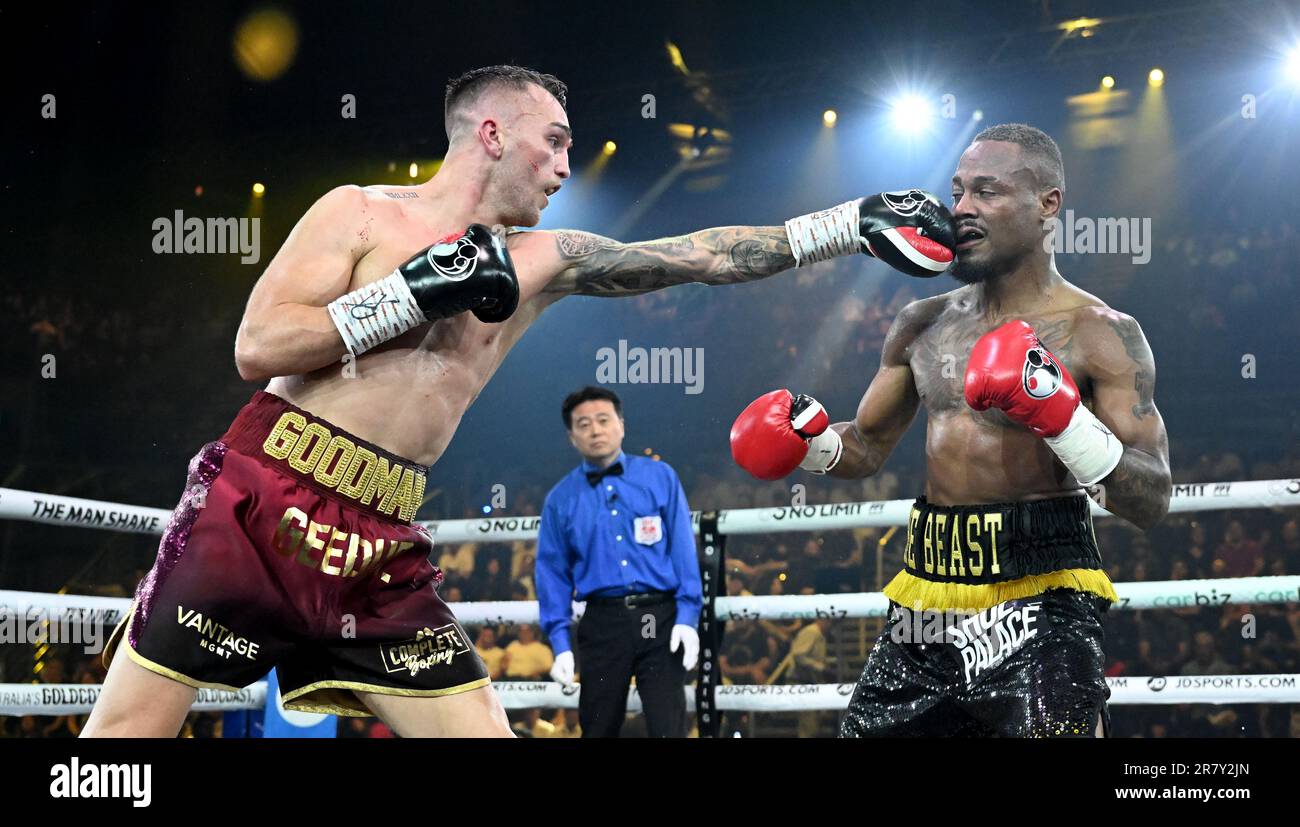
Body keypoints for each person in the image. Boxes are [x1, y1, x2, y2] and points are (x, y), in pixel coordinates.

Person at [83, 64, 954, 738]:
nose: (568, 165)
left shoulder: (545, 258)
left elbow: (699, 255)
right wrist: (413, 291)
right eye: (556, 141)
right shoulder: (359, 214)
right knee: (124, 737)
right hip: (261, 499)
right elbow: (258, 347)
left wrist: (845, 225)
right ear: (492, 132)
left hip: (382, 535)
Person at [732, 123, 1171, 737]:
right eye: (958, 190)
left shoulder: (1101, 332)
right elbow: (867, 445)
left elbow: (1151, 497)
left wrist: (1062, 418)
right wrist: (811, 443)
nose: (960, 209)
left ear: (1048, 204)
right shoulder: (921, 321)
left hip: (1040, 595)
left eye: (986, 192)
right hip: (925, 598)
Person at [534, 386, 702, 737]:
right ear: (571, 436)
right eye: (584, 424)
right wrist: (561, 643)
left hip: (657, 619)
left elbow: (683, 551)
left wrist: (688, 616)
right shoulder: (560, 500)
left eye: (603, 420)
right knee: (598, 726)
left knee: (668, 725)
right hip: (603, 622)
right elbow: (552, 573)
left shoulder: (660, 478)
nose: (595, 430)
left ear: (621, 425)